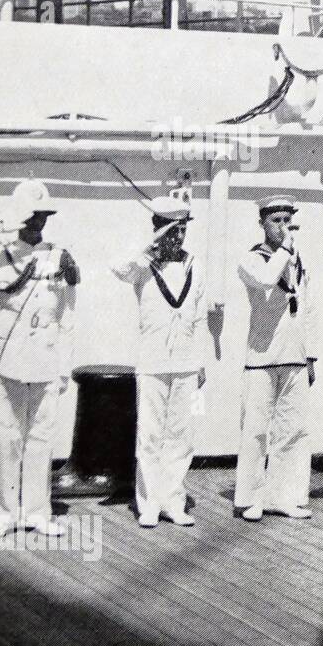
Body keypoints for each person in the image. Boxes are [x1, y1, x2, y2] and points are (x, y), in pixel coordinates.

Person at [111, 193, 210, 528]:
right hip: (152, 362)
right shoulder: (143, 266)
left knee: (181, 434)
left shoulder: (195, 264)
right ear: (158, 230)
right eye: (171, 230)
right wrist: (149, 243)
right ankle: (149, 503)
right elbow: (118, 268)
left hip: (185, 361)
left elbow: (198, 317)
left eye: (181, 230)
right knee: (151, 433)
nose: (177, 237)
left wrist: (200, 361)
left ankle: (173, 501)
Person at [0, 180, 77, 538]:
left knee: (41, 438)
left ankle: (36, 510)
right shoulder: (2, 256)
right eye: (32, 217)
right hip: (8, 360)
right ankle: (5, 511)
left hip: (45, 359)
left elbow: (66, 316)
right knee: (7, 437)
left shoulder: (58, 257)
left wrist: (64, 367)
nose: (38, 224)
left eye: (43, 216)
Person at [235, 195, 319, 522]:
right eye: (276, 221)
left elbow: (306, 307)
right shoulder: (251, 259)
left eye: (288, 220)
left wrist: (310, 356)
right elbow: (267, 279)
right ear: (262, 224)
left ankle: (285, 495)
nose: (284, 227)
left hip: (294, 356)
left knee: (293, 430)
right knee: (256, 430)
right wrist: (285, 250)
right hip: (262, 356)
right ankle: (251, 498)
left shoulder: (296, 260)